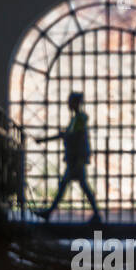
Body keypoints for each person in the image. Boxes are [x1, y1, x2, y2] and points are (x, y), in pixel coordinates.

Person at [34, 92, 103, 224]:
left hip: (75, 159)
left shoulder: (79, 120)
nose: (68, 104)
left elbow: (73, 137)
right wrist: (44, 139)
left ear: (76, 103)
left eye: (70, 101)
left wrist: (44, 140)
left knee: (67, 185)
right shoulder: (78, 120)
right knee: (78, 186)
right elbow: (69, 136)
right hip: (76, 159)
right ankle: (96, 215)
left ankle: (49, 212)